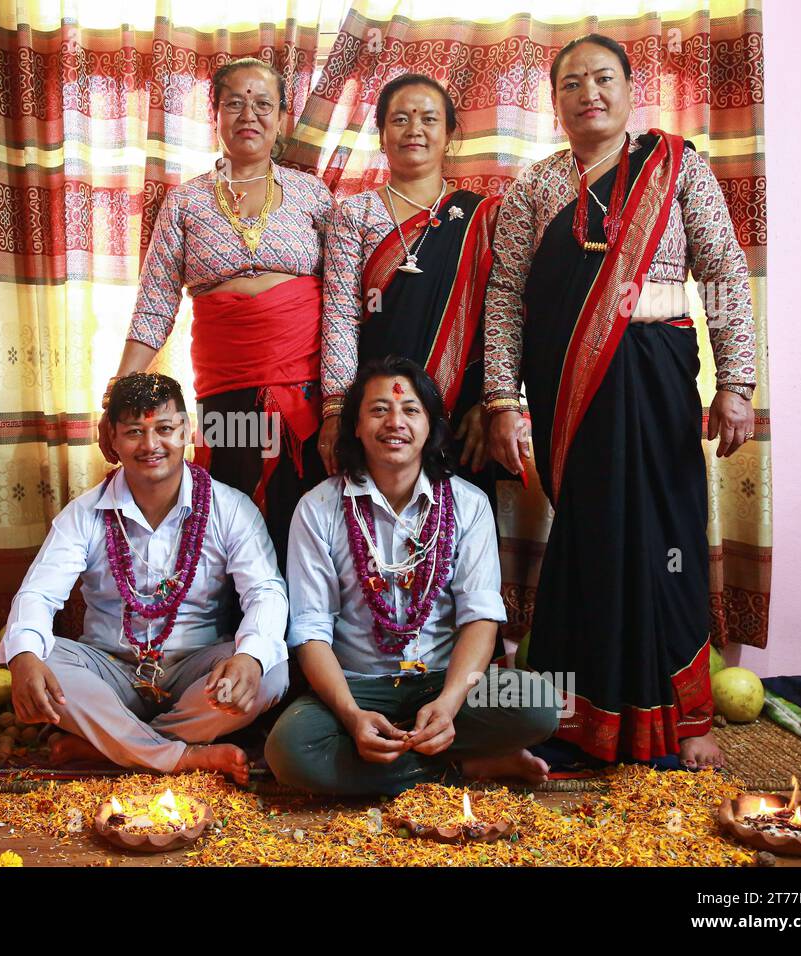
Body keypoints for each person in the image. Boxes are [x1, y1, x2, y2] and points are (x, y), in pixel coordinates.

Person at [483, 34, 758, 769]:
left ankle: (684, 714)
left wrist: (737, 383)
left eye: (603, 78)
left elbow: (723, 274)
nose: (588, 94)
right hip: (567, 386)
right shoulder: (535, 189)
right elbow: (505, 300)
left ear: (632, 90)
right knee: (589, 534)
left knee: (666, 536)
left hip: (657, 374)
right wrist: (501, 401)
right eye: (571, 83)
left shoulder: (679, 168)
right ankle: (584, 713)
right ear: (555, 102)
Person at [265, 358, 558, 796]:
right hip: (358, 687)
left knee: (539, 706)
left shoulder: (468, 504)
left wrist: (448, 702)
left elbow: (480, 617)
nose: (395, 422)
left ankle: (422, 757)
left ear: (430, 427)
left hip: (443, 682)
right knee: (289, 751)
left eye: (410, 410)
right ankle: (463, 767)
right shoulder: (318, 508)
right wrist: (350, 715)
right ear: (357, 427)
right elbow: (310, 630)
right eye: (379, 410)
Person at [99, 57, 334, 567]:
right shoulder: (186, 203)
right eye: (234, 103)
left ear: (281, 117)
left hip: (304, 394)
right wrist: (117, 395)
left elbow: (341, 304)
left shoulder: (312, 194)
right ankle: (237, 642)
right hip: (226, 395)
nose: (249, 114)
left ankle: (305, 642)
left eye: (263, 104)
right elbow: (154, 306)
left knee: (303, 524)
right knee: (232, 519)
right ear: (216, 115)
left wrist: (339, 398)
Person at [2, 373, 289, 785]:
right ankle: (181, 755)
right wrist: (25, 655)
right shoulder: (84, 515)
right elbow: (38, 594)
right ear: (113, 441)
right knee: (28, 651)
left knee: (271, 668)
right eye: (135, 432)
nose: (151, 445)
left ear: (188, 431)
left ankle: (109, 747)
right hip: (109, 673)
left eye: (165, 429)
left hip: (196, 675)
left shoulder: (231, 508)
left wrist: (248, 658)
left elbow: (265, 591)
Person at [320, 73, 505, 504]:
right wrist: (337, 409)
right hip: (375, 409)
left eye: (428, 119)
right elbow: (340, 317)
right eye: (400, 119)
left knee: (459, 530)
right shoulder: (355, 214)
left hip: (462, 411)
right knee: (368, 530)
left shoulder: (482, 218)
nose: (414, 130)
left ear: (449, 133)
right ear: (382, 135)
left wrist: (492, 404)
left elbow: (502, 316)